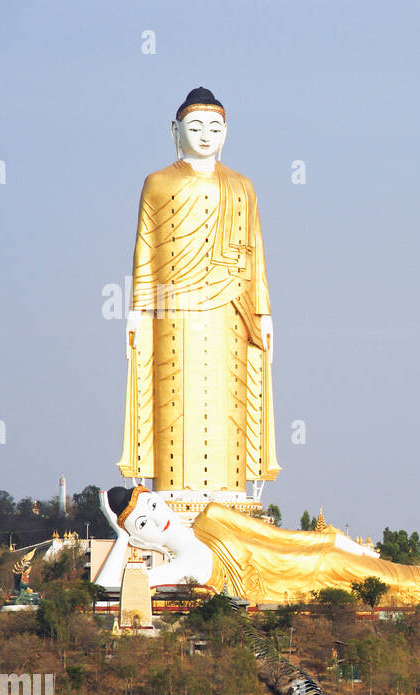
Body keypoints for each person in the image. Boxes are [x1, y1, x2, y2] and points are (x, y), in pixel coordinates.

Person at [116, 87, 280, 492]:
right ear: (175, 130)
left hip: (231, 310)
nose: (205, 135)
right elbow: (145, 248)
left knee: (229, 402)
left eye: (214, 128)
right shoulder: (157, 183)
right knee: (177, 399)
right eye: (195, 126)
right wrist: (137, 310)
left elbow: (256, 252)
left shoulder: (243, 186)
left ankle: (230, 493)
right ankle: (173, 492)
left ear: (226, 132)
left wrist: (265, 313)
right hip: (173, 308)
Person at [94, 486, 420, 607]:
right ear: (143, 536)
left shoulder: (213, 516)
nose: (157, 515)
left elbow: (279, 537)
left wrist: (335, 540)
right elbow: (109, 590)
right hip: (289, 593)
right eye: (144, 521)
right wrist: (123, 535)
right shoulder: (177, 566)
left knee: (392, 576)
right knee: (392, 594)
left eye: (151, 503)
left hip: (311, 560)